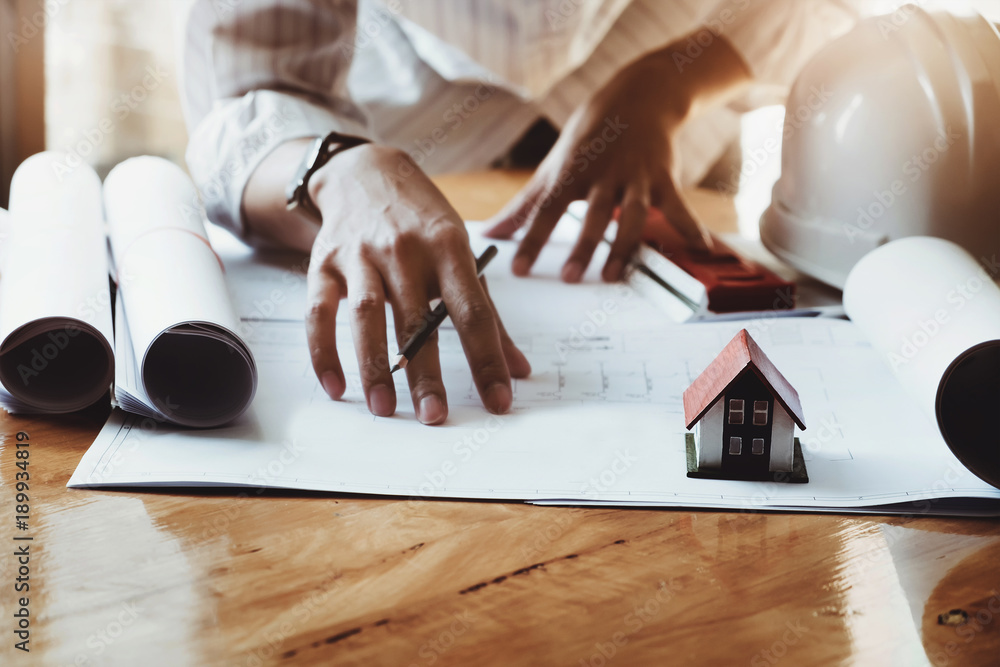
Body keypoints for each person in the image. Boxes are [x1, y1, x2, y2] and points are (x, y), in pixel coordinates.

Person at [179, 0, 868, 425]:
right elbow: (243, 87)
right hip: (390, 143)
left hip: (666, 154)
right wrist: (330, 164)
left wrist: (677, 79)